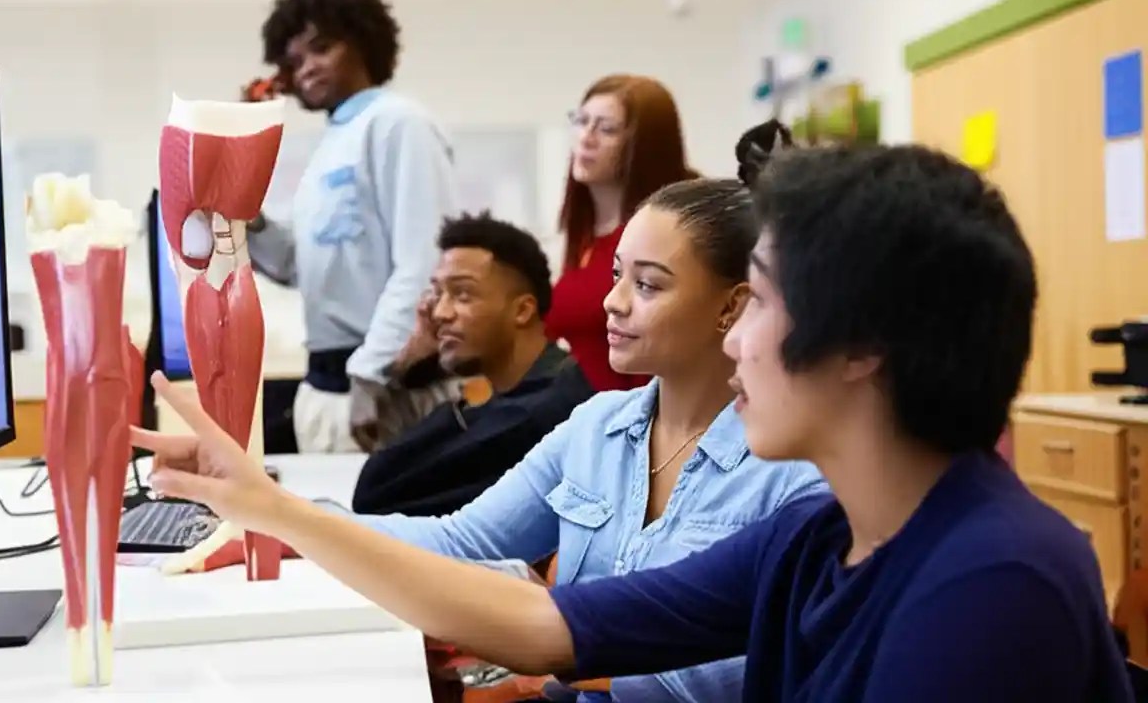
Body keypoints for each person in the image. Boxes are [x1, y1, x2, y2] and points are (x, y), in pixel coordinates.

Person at [137, 144, 1136, 701]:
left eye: (764, 301)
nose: (741, 337)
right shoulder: (818, 534)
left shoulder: (990, 585)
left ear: (860, 347)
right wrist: (272, 509)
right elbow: (544, 625)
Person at [138, 174, 827, 702]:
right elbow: (464, 542)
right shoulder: (598, 428)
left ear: (733, 307)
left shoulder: (793, 471)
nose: (613, 302)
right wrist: (286, 522)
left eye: (647, 285)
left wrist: (543, 653)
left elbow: (742, 670)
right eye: (617, 276)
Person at [247, 0, 461, 453]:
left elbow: (424, 262)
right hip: (324, 388)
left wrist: (372, 374)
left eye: (322, 49)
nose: (307, 69)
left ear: (363, 44)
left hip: (387, 388)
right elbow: (297, 265)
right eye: (295, 60)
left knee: (384, 528)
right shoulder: (329, 145)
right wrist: (248, 213)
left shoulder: (398, 123)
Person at [351, 212, 594, 517]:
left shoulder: (538, 415)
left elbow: (377, 493)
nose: (439, 313)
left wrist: (414, 371)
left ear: (522, 310)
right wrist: (414, 366)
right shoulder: (532, 390)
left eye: (462, 294)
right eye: (437, 294)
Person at [546, 75, 697, 393]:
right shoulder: (585, 233)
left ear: (644, 145)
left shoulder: (663, 237)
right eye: (582, 121)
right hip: (585, 414)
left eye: (606, 129)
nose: (586, 138)